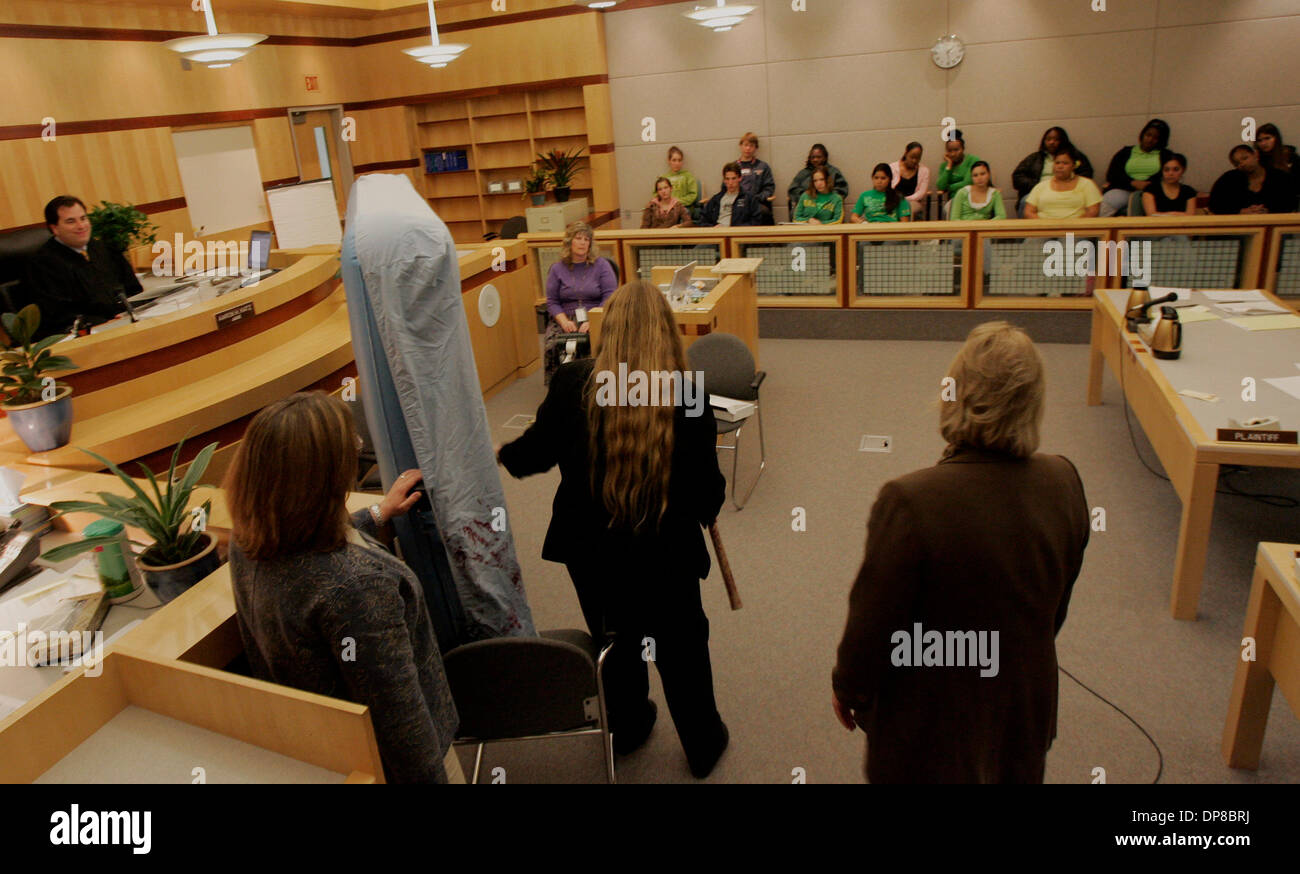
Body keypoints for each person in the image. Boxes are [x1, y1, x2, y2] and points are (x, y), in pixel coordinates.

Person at [832, 321, 1090, 783]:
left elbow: (871, 626)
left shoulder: (910, 500)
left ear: (956, 395)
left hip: (931, 735)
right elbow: (1054, 611)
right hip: (1021, 715)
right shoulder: (1064, 480)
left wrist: (847, 688)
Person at [498, 280, 730, 779]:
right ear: (666, 331)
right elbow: (708, 496)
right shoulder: (689, 395)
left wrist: (497, 454)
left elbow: (530, 457)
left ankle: (627, 728)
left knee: (618, 642)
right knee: (683, 649)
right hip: (668, 556)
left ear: (610, 329)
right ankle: (703, 744)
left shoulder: (571, 384)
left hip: (593, 553)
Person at [225, 391, 461, 784]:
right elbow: (400, 723)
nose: (358, 449)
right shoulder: (358, 586)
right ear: (324, 477)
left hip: (321, 750)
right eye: (351, 445)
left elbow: (309, 540)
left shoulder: (247, 539)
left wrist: (378, 512)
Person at [23, 195, 142, 340]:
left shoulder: (104, 249)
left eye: (83, 218)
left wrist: (130, 310)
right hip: (86, 334)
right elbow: (57, 314)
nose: (81, 226)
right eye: (71, 221)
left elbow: (133, 289)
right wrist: (103, 322)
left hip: (126, 323)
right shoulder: (42, 264)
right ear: (55, 228)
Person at [543, 221, 617, 384]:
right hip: (565, 316)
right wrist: (563, 321)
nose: (583, 242)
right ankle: (559, 385)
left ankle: (597, 384)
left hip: (596, 314)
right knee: (553, 345)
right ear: (570, 242)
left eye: (586, 239)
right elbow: (552, 301)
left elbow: (610, 295)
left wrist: (594, 319)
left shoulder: (602, 265)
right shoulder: (557, 269)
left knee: (594, 342)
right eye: (578, 238)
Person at [1012, 127, 1094, 216]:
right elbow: (1017, 176)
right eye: (1048, 139)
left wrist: (1069, 182)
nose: (1051, 142)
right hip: (1039, 192)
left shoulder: (1076, 156)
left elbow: (1086, 173)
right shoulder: (1034, 158)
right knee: (1026, 201)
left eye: (1056, 139)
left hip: (1070, 191)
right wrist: (1038, 186)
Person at [1100, 118, 1170, 217]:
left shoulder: (1166, 155)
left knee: (1138, 200)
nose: (1150, 140)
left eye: (1155, 138)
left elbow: (1169, 177)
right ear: (1142, 134)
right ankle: (1098, 230)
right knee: (1110, 200)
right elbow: (1112, 175)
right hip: (1124, 189)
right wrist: (1132, 183)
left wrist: (1147, 185)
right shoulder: (1125, 152)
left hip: (1152, 193)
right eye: (1148, 135)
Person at [1208, 144, 1298, 215]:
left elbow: (1291, 202)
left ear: (1256, 154)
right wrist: (1240, 212)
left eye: (1245, 158)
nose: (1242, 164)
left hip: (1275, 224)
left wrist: (1268, 211)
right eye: (1237, 163)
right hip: (1240, 227)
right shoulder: (1229, 179)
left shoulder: (1279, 177)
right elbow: (1214, 204)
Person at [1023, 148, 1103, 219]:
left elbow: (1093, 211)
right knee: (1034, 237)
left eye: (1065, 163)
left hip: (1073, 230)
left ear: (1073, 166)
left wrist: (1075, 225)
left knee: (1070, 236)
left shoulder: (1087, 184)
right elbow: (1028, 212)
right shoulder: (1041, 186)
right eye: (1057, 163)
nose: (1060, 166)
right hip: (1045, 230)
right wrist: (1045, 226)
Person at [699, 163, 766, 227]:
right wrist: (713, 228)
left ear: (740, 178)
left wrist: (734, 228)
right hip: (718, 232)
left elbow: (756, 221)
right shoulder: (716, 199)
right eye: (727, 179)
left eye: (733, 178)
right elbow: (703, 220)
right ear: (724, 180)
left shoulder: (749, 198)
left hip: (738, 234)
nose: (730, 183)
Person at [787, 143, 849, 212]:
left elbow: (842, 191)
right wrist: (808, 197)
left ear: (825, 157)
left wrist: (823, 197)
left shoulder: (834, 172)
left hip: (828, 209)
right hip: (807, 209)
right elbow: (792, 189)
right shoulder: (803, 173)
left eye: (819, 157)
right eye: (812, 157)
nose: (815, 159)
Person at [735, 132, 775, 223]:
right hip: (737, 204)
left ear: (756, 148)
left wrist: (757, 198)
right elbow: (725, 187)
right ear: (741, 146)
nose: (748, 148)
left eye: (751, 146)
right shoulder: (734, 167)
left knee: (764, 212)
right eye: (746, 145)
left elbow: (769, 188)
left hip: (757, 203)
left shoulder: (763, 166)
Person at [1141, 152, 1198, 216]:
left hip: (1182, 225)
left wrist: (1168, 215)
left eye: (1176, 169)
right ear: (1161, 171)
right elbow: (1151, 215)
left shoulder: (1189, 192)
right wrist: (1176, 214)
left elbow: (1191, 216)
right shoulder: (1150, 189)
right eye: (1166, 170)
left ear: (1183, 170)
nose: (1170, 173)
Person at [889, 142, 931, 216]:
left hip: (913, 202)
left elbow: (921, 193)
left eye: (918, 158)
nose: (914, 161)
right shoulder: (892, 168)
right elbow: (888, 188)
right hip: (894, 200)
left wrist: (904, 200)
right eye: (912, 157)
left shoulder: (924, 171)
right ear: (906, 154)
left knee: (907, 209)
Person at [936, 130, 981, 199]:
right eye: (949, 151)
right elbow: (940, 187)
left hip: (972, 198)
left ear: (963, 148)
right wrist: (949, 165)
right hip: (954, 200)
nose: (953, 154)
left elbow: (968, 183)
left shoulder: (973, 160)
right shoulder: (944, 166)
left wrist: (949, 187)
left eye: (956, 150)